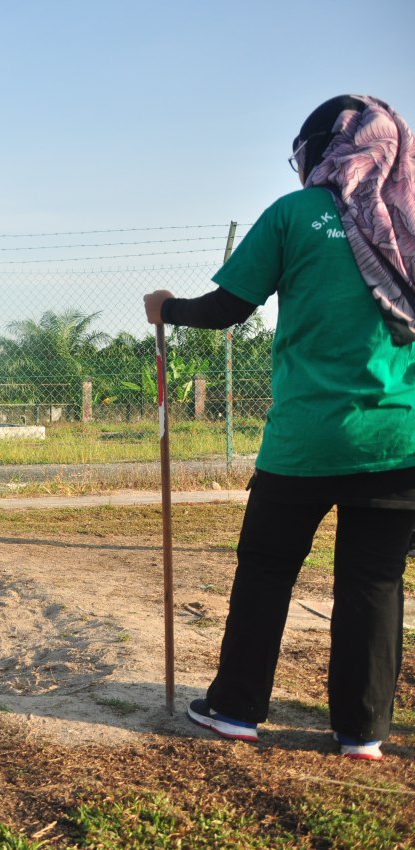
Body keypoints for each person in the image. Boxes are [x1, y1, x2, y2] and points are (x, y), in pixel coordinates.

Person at [144, 95, 415, 761]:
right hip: (399, 442)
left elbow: (228, 308)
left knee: (266, 569)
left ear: (323, 147)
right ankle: (364, 733)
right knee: (374, 585)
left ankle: (236, 710)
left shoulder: (295, 214)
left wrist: (166, 307)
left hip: (304, 442)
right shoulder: (410, 222)